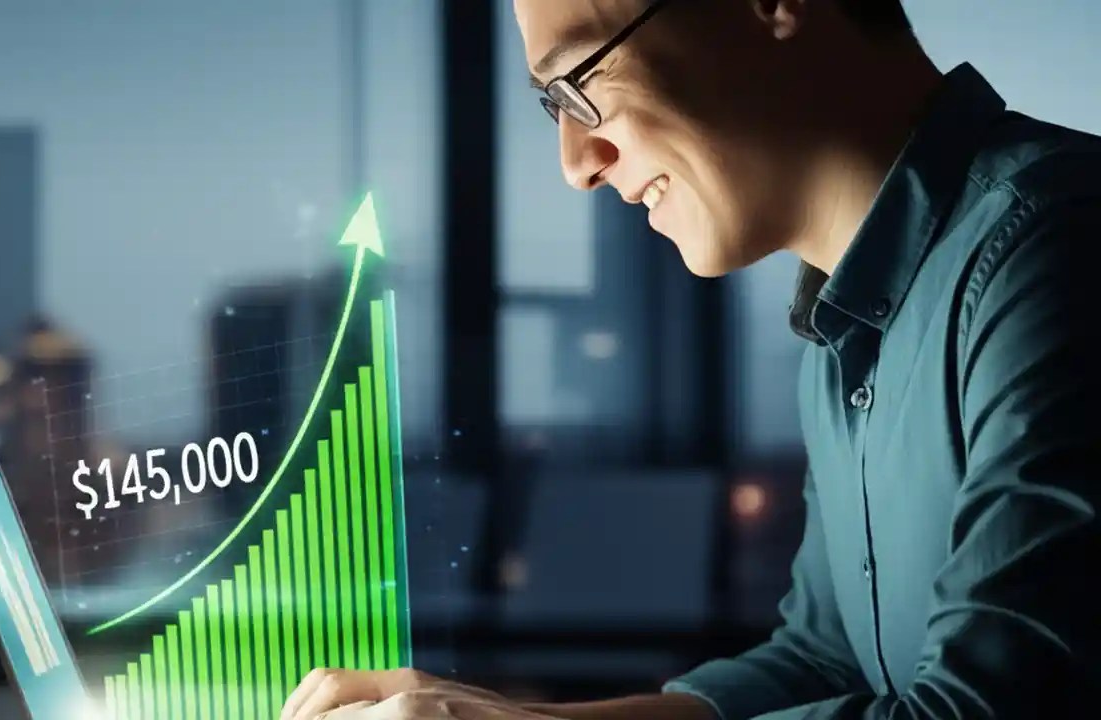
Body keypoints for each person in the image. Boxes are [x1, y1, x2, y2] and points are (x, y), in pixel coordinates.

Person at [282, 0, 1101, 717]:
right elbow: (826, 661)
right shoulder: (846, 328)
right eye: (549, 107)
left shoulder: (1057, 247)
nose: (575, 165)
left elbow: (993, 706)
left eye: (579, 82)